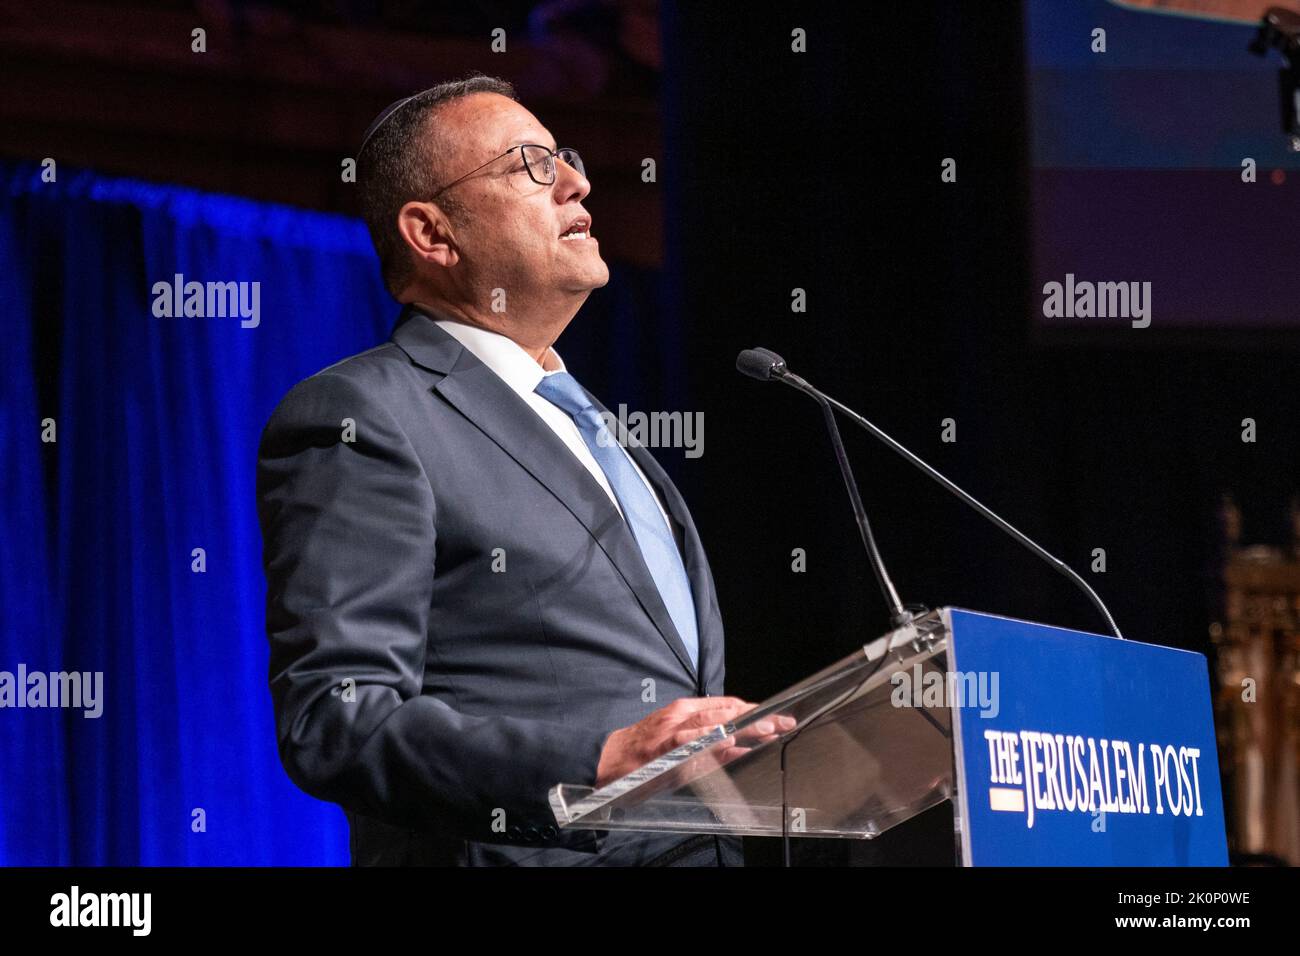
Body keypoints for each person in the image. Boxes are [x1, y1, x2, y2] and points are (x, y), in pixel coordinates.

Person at [257, 74, 786, 866]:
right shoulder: (364, 414)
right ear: (433, 233)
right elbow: (338, 719)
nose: (576, 181)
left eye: (563, 158)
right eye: (529, 165)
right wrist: (596, 763)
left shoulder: (595, 426)